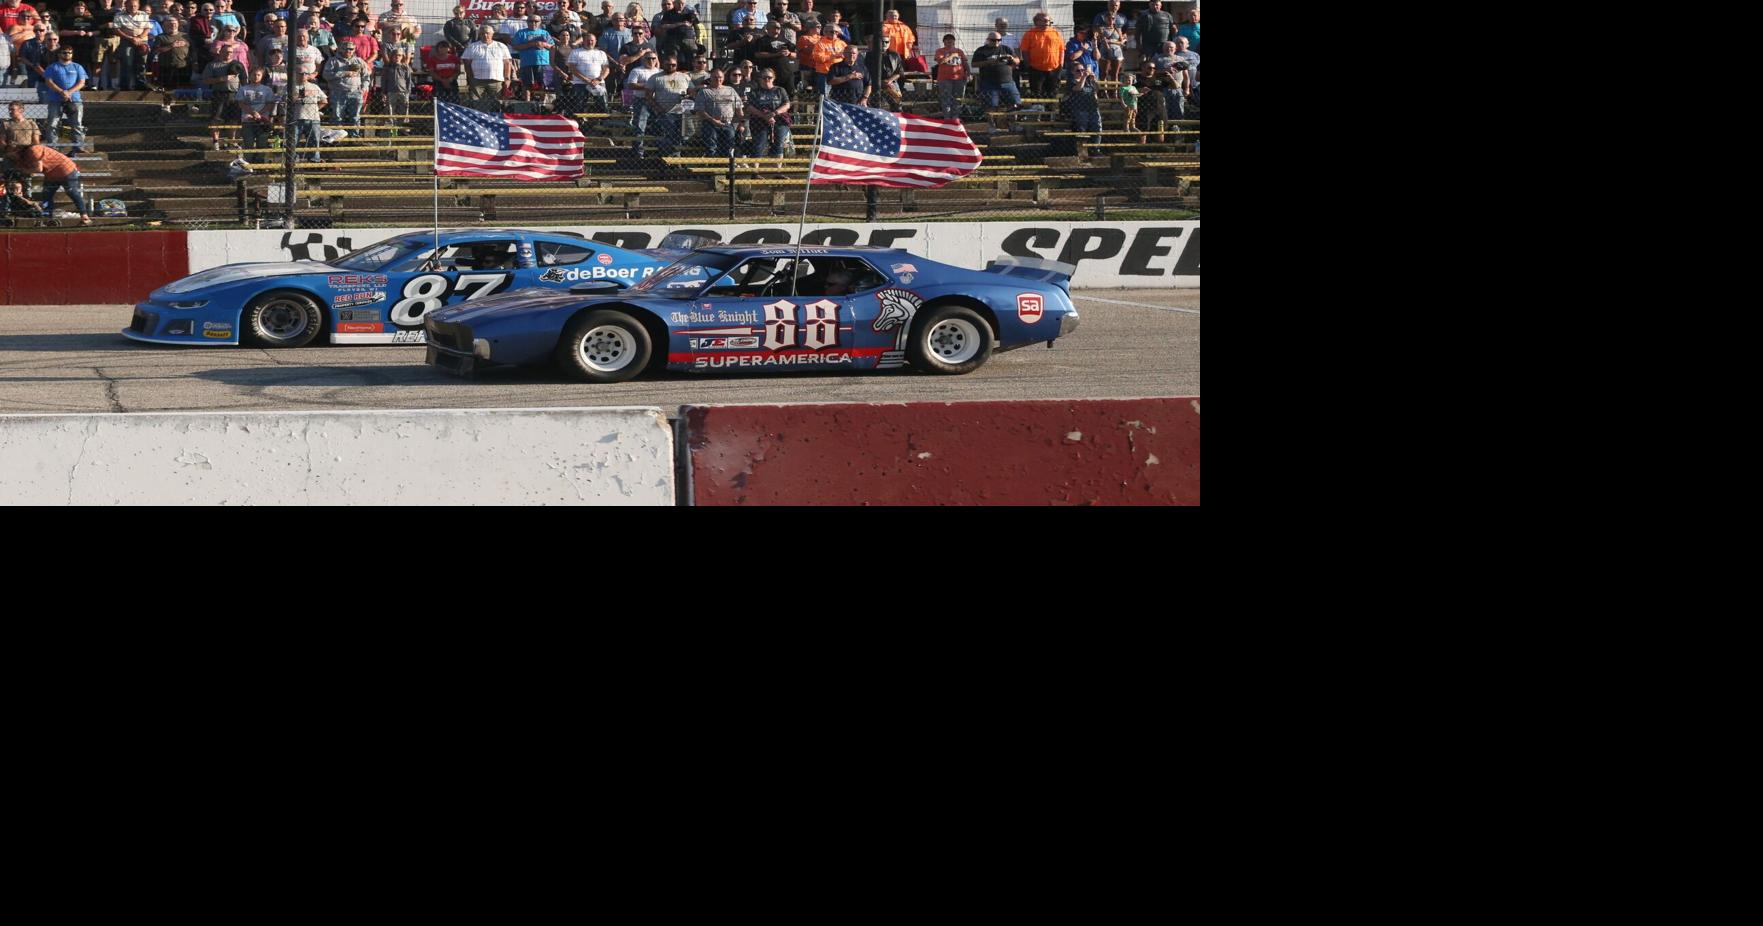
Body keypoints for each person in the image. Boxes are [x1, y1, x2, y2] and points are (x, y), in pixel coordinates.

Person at [9, 140, 90, 223]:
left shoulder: (33, 150)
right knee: (46, 195)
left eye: (12, 152)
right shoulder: (21, 158)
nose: (11, 154)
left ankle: (84, 216)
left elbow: (38, 169)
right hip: (51, 174)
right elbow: (28, 170)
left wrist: (22, 170)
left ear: (19, 149)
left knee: (72, 192)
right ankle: (47, 217)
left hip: (65, 169)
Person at [40, 44, 88, 152]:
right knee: (53, 123)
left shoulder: (78, 67)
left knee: (77, 124)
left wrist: (69, 92)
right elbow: (49, 82)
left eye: (70, 52)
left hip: (74, 99)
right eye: (65, 52)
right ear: (59, 54)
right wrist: (61, 92)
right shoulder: (52, 67)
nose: (67, 54)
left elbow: (82, 82)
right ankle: (53, 146)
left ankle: (78, 146)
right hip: (55, 99)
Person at [643, 51, 689, 155]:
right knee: (669, 136)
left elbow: (692, 92)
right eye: (668, 64)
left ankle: (677, 159)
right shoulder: (655, 77)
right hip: (665, 113)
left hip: (683, 113)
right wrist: (657, 108)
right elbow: (648, 95)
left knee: (684, 136)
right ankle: (667, 159)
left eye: (673, 65)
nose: (671, 67)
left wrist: (687, 98)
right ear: (663, 64)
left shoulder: (684, 77)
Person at [200, 43, 242, 148]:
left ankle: (231, 142)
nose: (228, 54)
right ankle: (215, 142)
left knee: (233, 119)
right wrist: (221, 79)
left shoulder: (237, 64)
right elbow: (205, 80)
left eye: (231, 52)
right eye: (226, 52)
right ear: (220, 52)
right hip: (219, 94)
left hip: (234, 94)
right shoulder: (212, 65)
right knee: (216, 119)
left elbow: (245, 79)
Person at [461, 24, 511, 110]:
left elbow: (507, 63)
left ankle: (495, 120)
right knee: (475, 103)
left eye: (487, 33)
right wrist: (471, 78)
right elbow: (467, 63)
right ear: (479, 35)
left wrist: (507, 78)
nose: (485, 35)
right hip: (477, 80)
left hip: (496, 80)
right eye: (482, 33)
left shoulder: (501, 46)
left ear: (492, 34)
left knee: (496, 103)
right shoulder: (472, 46)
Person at [693, 66, 738, 157]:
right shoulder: (704, 92)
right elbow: (699, 110)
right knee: (711, 146)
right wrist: (713, 120)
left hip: (727, 123)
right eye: (715, 77)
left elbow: (739, 107)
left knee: (729, 144)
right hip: (710, 123)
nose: (718, 79)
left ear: (724, 78)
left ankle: (725, 165)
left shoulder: (731, 90)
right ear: (711, 78)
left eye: (720, 77)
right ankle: (712, 165)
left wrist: (741, 122)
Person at [743, 66, 787, 156]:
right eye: (764, 77)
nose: (767, 79)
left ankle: (777, 169)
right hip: (758, 120)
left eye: (769, 77)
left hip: (778, 120)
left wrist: (774, 113)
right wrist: (764, 116)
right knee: (758, 145)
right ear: (760, 79)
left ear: (773, 78)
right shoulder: (755, 92)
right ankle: (755, 169)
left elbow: (787, 104)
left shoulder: (780, 90)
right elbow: (749, 107)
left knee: (779, 145)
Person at [1017, 11, 1060, 99]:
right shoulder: (1029, 34)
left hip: (1054, 69)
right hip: (1035, 69)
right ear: (1037, 22)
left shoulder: (1055, 33)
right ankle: (1037, 110)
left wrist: (1061, 64)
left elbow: (1062, 49)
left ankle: (1051, 111)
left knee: (1052, 92)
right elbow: (1024, 50)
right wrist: (1028, 64)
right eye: (1044, 21)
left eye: (1048, 21)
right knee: (1037, 92)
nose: (1047, 23)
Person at [971, 31, 1018, 111]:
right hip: (989, 83)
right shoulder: (981, 50)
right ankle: (992, 123)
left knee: (1014, 104)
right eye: (993, 40)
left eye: (999, 40)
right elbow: (974, 64)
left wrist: (1012, 59)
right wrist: (989, 62)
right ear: (988, 40)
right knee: (990, 105)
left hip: (1008, 82)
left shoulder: (1006, 48)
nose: (996, 42)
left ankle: (1010, 122)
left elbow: (1017, 60)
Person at [235, 65, 274, 159]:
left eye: (258, 75)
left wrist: (259, 114)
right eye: (254, 74)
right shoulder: (243, 89)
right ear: (250, 75)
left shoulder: (267, 89)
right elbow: (241, 104)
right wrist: (253, 113)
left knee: (262, 143)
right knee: (248, 143)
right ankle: (248, 163)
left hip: (262, 121)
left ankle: (259, 163)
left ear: (262, 76)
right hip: (247, 120)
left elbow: (270, 104)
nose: (256, 77)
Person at [511, 11, 552, 100]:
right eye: (531, 21)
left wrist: (543, 44)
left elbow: (552, 47)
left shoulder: (545, 33)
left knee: (543, 84)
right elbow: (515, 47)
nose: (533, 23)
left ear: (540, 22)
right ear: (527, 22)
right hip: (527, 63)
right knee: (526, 85)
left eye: (536, 21)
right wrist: (532, 44)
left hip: (543, 62)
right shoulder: (521, 33)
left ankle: (543, 104)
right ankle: (527, 104)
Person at [286, 66, 324, 160]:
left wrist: (316, 109)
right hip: (296, 117)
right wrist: (299, 96)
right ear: (295, 74)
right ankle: (292, 160)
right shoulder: (290, 86)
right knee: (293, 140)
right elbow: (285, 102)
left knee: (314, 140)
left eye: (305, 73)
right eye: (300, 73)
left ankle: (314, 160)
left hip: (313, 117)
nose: (303, 75)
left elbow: (324, 100)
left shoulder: (314, 86)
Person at [932, 33, 966, 119]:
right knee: (946, 99)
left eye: (951, 40)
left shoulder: (960, 51)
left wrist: (968, 73)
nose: (949, 42)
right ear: (944, 42)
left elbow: (965, 63)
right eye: (947, 40)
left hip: (959, 78)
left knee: (958, 99)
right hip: (945, 79)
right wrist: (952, 55)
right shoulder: (940, 51)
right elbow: (941, 61)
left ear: (954, 42)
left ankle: (955, 117)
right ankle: (947, 118)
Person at [1065, 61, 1099, 144]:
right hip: (1080, 109)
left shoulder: (1088, 81)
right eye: (1078, 70)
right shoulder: (1071, 81)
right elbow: (1078, 88)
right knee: (1081, 129)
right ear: (1073, 72)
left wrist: (1094, 80)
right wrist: (1084, 77)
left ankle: (1095, 149)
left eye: (1082, 70)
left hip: (1092, 108)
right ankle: (1082, 150)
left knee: (1096, 128)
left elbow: (1096, 90)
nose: (1081, 72)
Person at [151, 14, 188, 87]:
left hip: (183, 67)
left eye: (175, 23)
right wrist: (171, 46)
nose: (173, 25)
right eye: (170, 23)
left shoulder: (185, 36)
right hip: (166, 67)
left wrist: (194, 62)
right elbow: (155, 51)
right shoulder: (160, 37)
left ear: (178, 25)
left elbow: (193, 51)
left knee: (183, 89)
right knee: (167, 89)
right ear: (165, 25)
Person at [1119, 70, 1139, 142]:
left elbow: (1137, 95)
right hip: (1128, 105)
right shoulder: (1123, 88)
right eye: (1127, 80)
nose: (1128, 81)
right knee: (1127, 117)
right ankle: (1126, 128)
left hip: (1134, 105)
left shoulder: (1134, 88)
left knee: (1133, 116)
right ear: (1124, 80)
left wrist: (1143, 92)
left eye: (1130, 80)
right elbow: (1121, 98)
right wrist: (1123, 104)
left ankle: (1133, 126)